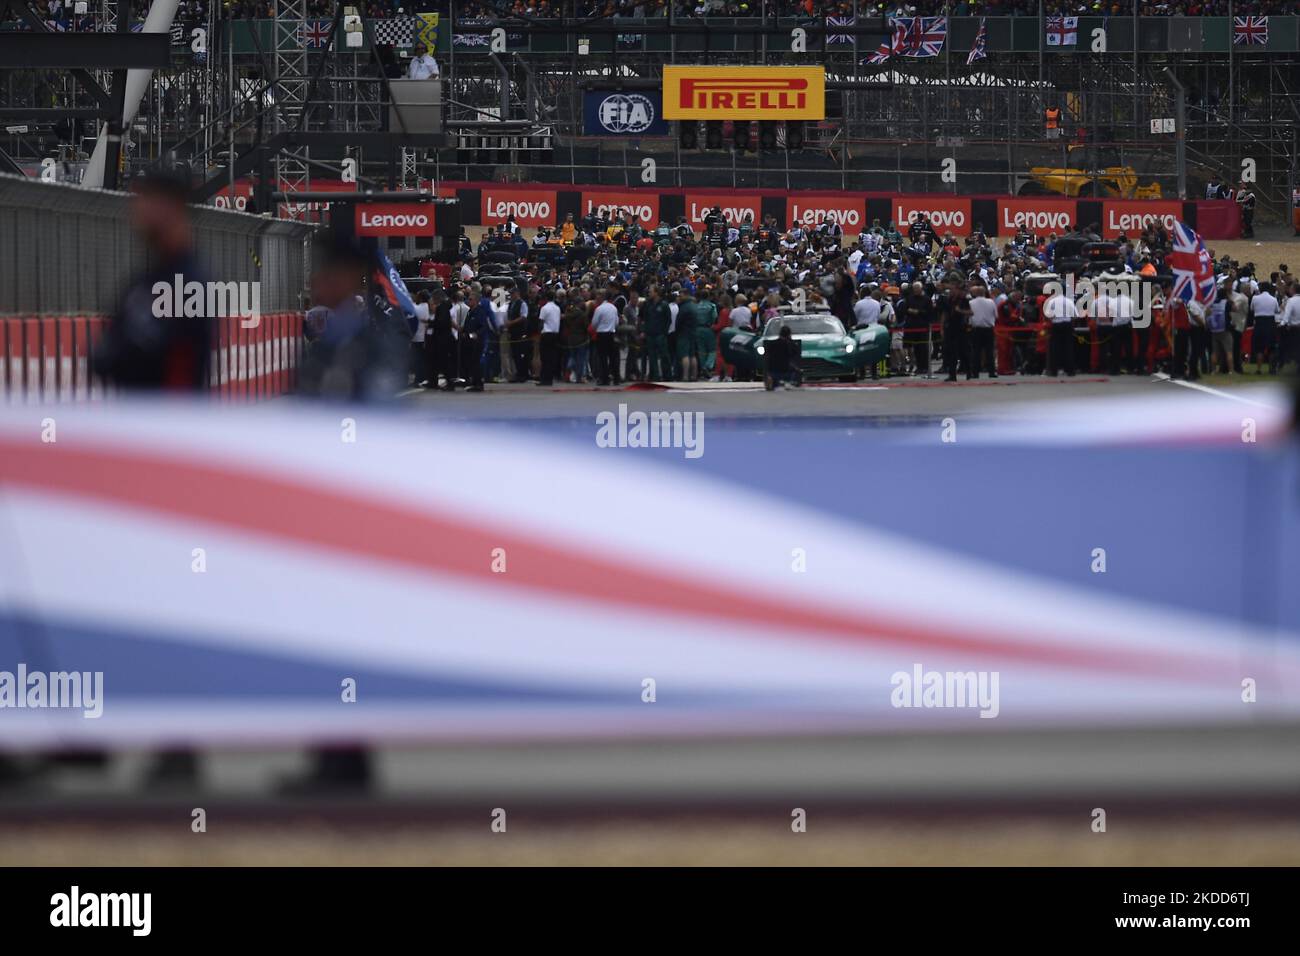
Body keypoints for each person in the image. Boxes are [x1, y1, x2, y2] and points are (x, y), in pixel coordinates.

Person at [94, 167, 211, 392]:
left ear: (171, 207)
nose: (139, 211)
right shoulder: (142, 283)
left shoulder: (189, 284)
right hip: (136, 418)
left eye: (148, 200)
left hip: (168, 421)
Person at [1043, 282, 1078, 377]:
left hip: (1056, 325)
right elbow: (1075, 315)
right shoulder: (1069, 301)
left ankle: (1053, 371)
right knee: (1068, 348)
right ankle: (1070, 370)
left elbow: (1048, 315)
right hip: (1067, 324)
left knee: (1054, 348)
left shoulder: (1051, 301)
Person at [590, 288, 620, 386]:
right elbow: (616, 322)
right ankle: (616, 378)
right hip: (611, 333)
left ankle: (604, 378)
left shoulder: (599, 309)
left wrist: (599, 326)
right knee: (613, 357)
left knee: (602, 358)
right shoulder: (613, 308)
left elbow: (594, 323)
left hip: (601, 334)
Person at [967, 285, 997, 379]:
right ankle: (991, 372)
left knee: (976, 351)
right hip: (988, 328)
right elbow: (996, 315)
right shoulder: (991, 302)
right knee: (989, 351)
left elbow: (969, 316)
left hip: (976, 329)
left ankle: (975, 372)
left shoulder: (971, 302)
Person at [537, 288, 562, 386]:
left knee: (545, 357)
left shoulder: (544, 308)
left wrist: (539, 333)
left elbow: (541, 322)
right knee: (552, 357)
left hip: (546, 333)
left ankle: (544, 378)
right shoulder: (557, 308)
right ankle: (550, 377)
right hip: (555, 333)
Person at [764, 324, 801, 389]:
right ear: (789, 334)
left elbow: (767, 356)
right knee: (797, 370)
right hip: (786, 370)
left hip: (773, 370)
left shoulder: (772, 344)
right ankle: (790, 382)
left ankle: (772, 380)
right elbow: (795, 353)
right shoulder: (790, 345)